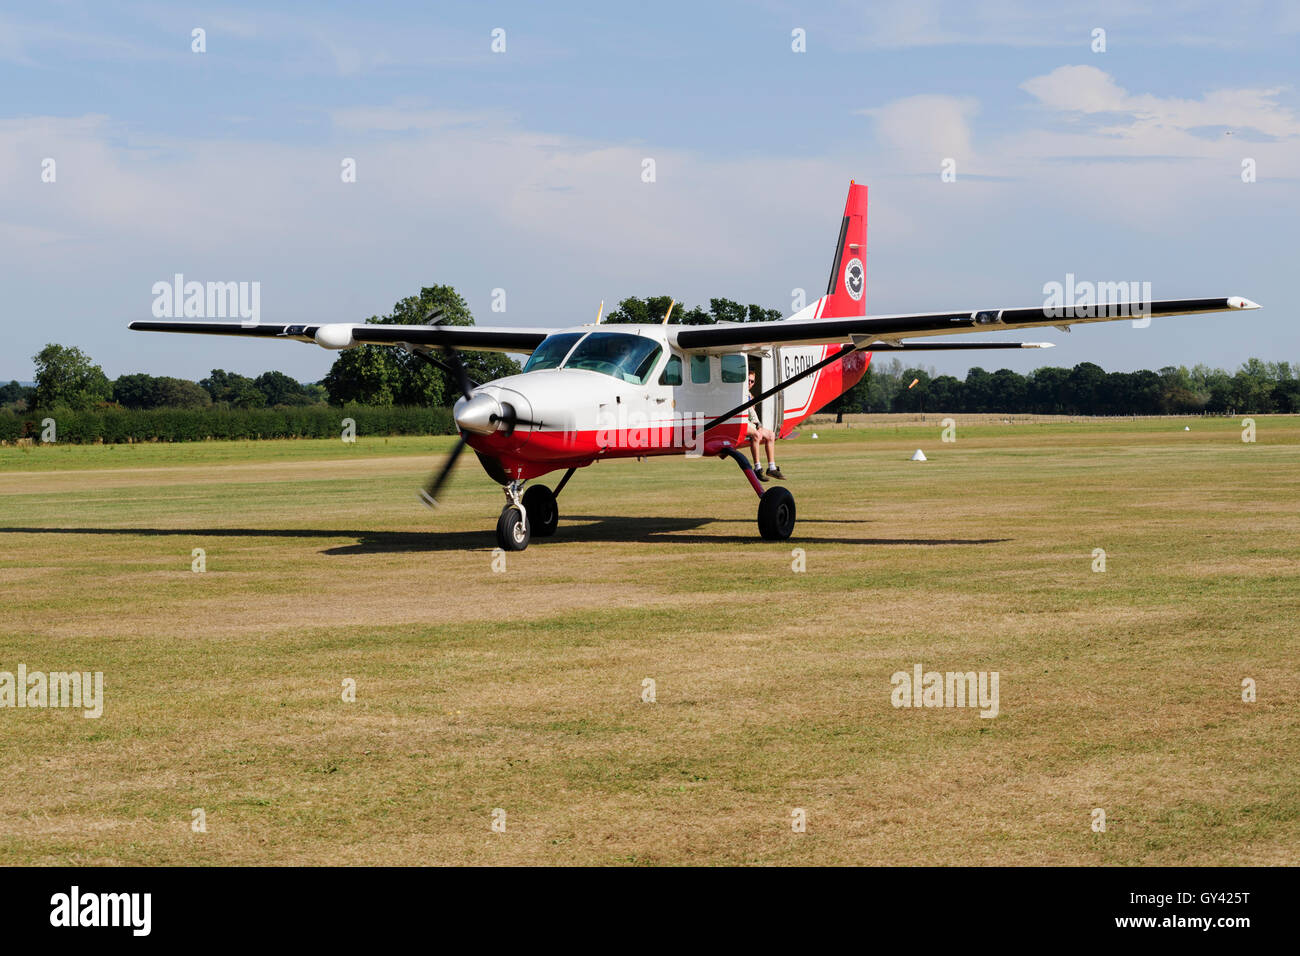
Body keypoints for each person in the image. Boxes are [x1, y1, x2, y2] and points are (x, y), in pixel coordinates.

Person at [746, 370, 784, 480]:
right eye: (747, 380)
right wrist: (757, 424)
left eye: (752, 381)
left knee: (771, 435)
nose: (749, 383)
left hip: (752, 424)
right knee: (757, 435)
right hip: (741, 424)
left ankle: (771, 468)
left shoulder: (749, 395)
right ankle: (757, 468)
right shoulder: (741, 394)